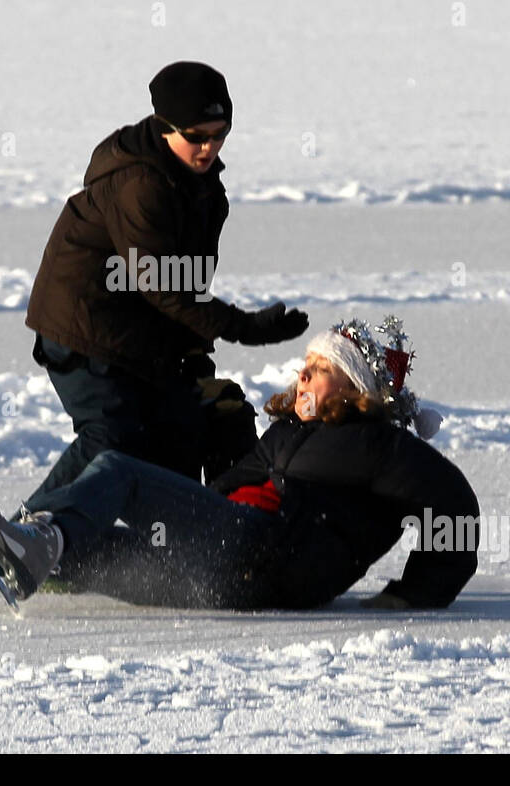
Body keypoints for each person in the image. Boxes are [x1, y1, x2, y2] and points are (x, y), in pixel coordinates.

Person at [0, 317, 477, 611]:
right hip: (219, 568)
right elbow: (229, 485)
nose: (302, 375)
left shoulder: (381, 446)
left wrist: (418, 593)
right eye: (305, 366)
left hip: (274, 558)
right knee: (80, 552)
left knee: (118, 470)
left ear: (354, 388)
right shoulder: (286, 434)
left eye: (319, 369)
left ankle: (38, 541)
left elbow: (455, 506)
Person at [23, 60, 308, 494]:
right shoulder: (141, 185)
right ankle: (32, 534)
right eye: (197, 136)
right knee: (114, 436)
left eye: (220, 134)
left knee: (207, 418)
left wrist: (191, 357)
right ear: (165, 126)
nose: (209, 148)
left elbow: (188, 283)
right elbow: (163, 288)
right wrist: (246, 329)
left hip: (138, 336)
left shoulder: (204, 190)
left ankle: (191, 547)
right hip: (85, 329)